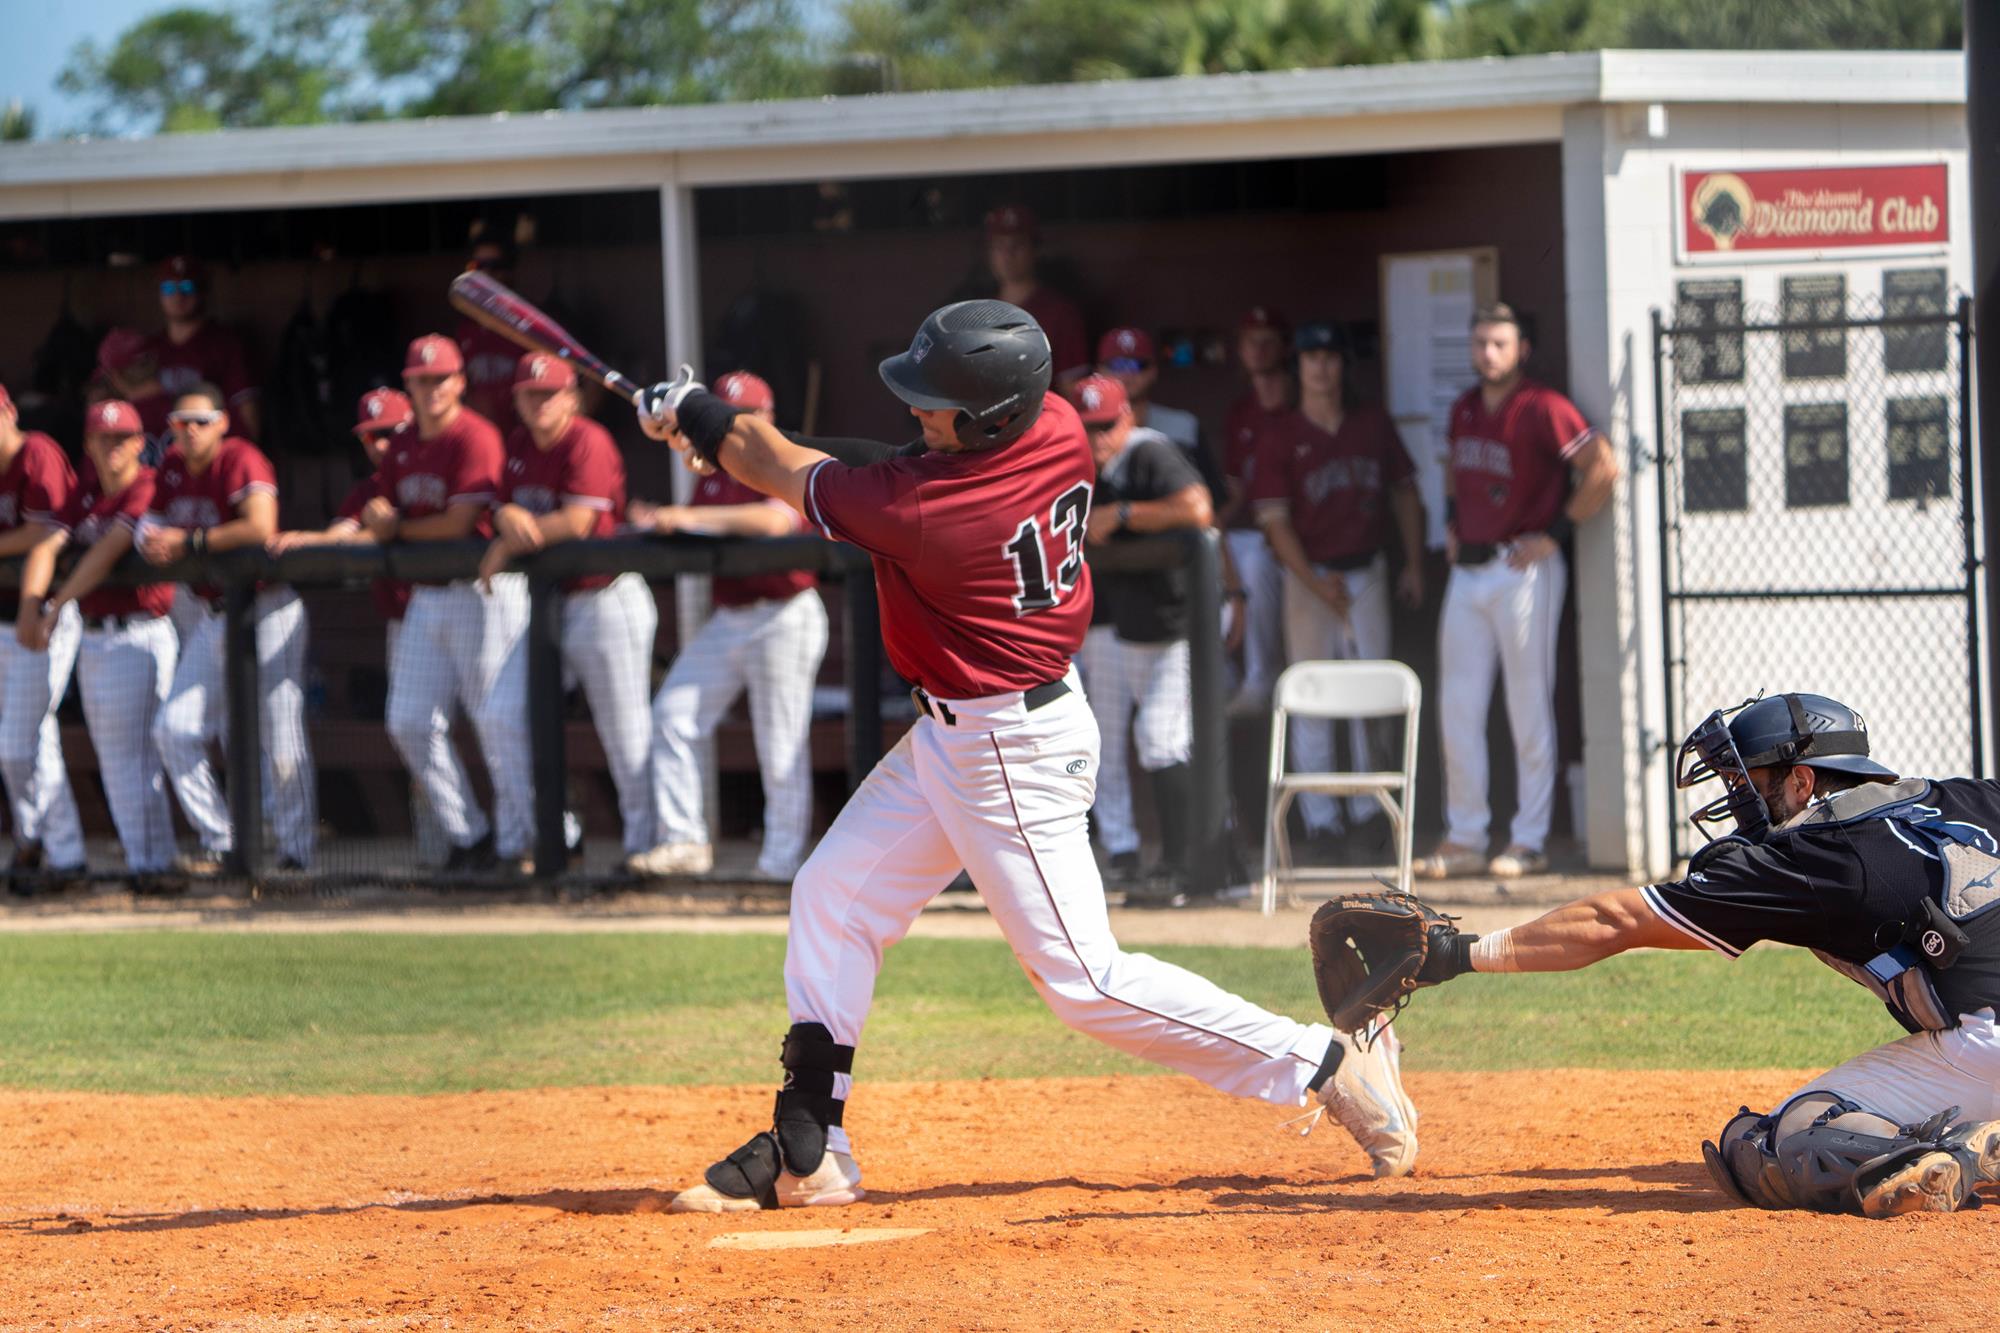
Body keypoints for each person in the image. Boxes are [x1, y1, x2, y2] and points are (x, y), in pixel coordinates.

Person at [637, 299, 1417, 1214]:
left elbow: (789, 468)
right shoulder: (1052, 426)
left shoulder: (932, 511)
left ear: (986, 416)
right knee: (833, 896)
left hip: (1005, 746)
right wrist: (720, 428)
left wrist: (706, 422)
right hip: (963, 729)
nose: (917, 412)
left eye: (937, 402)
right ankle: (812, 1142)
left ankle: (1323, 1061)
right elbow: (860, 457)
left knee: (1086, 981)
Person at [1410, 693, 2000, 1217]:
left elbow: (1617, 920)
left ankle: (1960, 1154)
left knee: (1775, 1141)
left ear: (1802, 782)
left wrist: (1458, 953)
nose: (1739, 804)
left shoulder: (1810, 857)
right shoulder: (1970, 797)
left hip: (1987, 1046)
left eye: (1750, 784)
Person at [1419, 302, 1617, 881]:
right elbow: (1453, 469)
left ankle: (1528, 839)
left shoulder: (1543, 405)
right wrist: (1454, 521)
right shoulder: (1463, 407)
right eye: (1480, 342)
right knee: (1457, 707)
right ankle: (1465, 835)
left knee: (1527, 705)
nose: (1488, 353)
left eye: (1499, 343)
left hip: (1523, 564)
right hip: (1472, 567)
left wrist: (1554, 535)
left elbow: (1602, 466)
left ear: (1521, 349)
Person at [628, 370, 827, 881]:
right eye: (729, 413)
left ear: (767, 418)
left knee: (779, 743)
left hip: (784, 612)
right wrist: (669, 517)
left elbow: (774, 522)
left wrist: (686, 517)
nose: (737, 423)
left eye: (748, 415)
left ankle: (780, 866)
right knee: (672, 714)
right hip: (731, 616)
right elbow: (690, 506)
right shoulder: (715, 465)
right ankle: (685, 841)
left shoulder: (782, 454)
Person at [478, 353, 658, 873]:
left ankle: (644, 848)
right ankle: (555, 836)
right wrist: (504, 515)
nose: (539, 402)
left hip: (608, 599)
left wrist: (507, 542)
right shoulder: (515, 445)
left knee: (625, 734)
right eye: (530, 394)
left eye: (550, 393)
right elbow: (503, 506)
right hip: (554, 604)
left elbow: (578, 521)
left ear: (572, 398)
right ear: (515, 398)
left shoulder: (588, 440)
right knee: (499, 716)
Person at [1252, 321, 1424, 860]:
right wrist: (1313, 581)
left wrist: (1414, 562)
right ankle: (1322, 819)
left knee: (1371, 694)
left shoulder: (1370, 423)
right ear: (1298, 366)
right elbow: (1275, 523)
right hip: (1309, 574)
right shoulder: (1281, 432)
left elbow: (1405, 494)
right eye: (1312, 357)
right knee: (1314, 696)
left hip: (1366, 571)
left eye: (1330, 356)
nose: (1322, 367)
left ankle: (1371, 812)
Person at [364, 335, 529, 874]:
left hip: (482, 592)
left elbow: (458, 524)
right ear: (407, 385)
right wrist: (378, 517)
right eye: (421, 379)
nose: (431, 388)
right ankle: (470, 834)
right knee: (408, 719)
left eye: (440, 379)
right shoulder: (406, 440)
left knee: (496, 722)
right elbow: (381, 506)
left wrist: (397, 528)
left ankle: (523, 841)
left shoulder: (474, 435)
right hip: (428, 597)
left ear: (460, 382)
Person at [139, 383, 316, 874]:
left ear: (222, 423)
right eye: (180, 423)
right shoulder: (172, 466)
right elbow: (150, 524)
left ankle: (295, 852)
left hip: (269, 608)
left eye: (200, 422)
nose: (189, 432)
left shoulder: (241, 457)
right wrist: (150, 541)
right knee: (173, 730)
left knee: (279, 735)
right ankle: (224, 839)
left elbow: (261, 526)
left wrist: (189, 542)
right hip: (214, 616)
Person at [267, 389, 446, 867]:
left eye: (389, 434)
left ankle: (540, 838)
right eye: (371, 437)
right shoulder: (366, 491)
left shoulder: (437, 466)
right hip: (406, 625)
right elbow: (341, 537)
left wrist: (389, 529)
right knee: (414, 729)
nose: (380, 446)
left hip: (469, 608)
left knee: (500, 725)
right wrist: (308, 540)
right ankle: (441, 850)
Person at [18, 400, 177, 887]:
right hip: (97, 637)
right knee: (118, 761)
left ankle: (162, 862)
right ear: (87, 445)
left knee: (148, 754)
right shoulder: (86, 491)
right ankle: (145, 865)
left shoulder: (147, 484)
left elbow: (108, 550)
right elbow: (47, 544)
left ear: (138, 442)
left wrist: (57, 601)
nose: (113, 446)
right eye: (103, 438)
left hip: (140, 631)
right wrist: (32, 601)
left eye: (123, 437)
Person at [1073, 373, 1219, 900]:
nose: (1098, 438)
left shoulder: (1149, 452)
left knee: (1161, 738)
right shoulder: (1087, 466)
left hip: (1179, 622)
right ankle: (1146, 860)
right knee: (1113, 741)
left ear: (1128, 417)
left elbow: (1199, 509)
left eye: (1107, 426)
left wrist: (1126, 513)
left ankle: (1185, 865)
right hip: (1126, 624)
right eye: (1089, 428)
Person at [0, 383, 86, 886]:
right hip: (4, 621)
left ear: (9, 411)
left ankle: (35, 839)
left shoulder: (38, 452)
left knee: (15, 745)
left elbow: (47, 531)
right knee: (37, 739)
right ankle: (62, 853)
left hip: (43, 613)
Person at [1216, 306, 1294, 710]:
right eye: (1251, 342)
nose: (1260, 350)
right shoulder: (1240, 412)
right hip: (1249, 530)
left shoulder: (1300, 404)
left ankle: (1260, 676)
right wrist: (1210, 526)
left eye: (1268, 341)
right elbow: (1235, 487)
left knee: (1258, 561)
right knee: (1209, 553)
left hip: (1290, 536)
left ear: (1284, 346)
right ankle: (1222, 673)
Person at [148, 256, 259, 439]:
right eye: (168, 288)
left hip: (211, 456)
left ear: (203, 292)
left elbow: (249, 415)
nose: (178, 296)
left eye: (187, 287)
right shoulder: (150, 349)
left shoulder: (225, 344)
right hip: (163, 457)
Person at [983, 205, 1090, 387]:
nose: (1008, 255)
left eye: (1017, 245)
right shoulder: (980, 313)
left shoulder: (1060, 312)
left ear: (1035, 250)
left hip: (1043, 413)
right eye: (999, 246)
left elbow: (1073, 389)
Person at [454, 239, 526, 439]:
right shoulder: (465, 330)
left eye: (495, 267)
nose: (485, 275)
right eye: (477, 267)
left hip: (522, 439)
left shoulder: (526, 327)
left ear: (510, 271)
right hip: (479, 437)